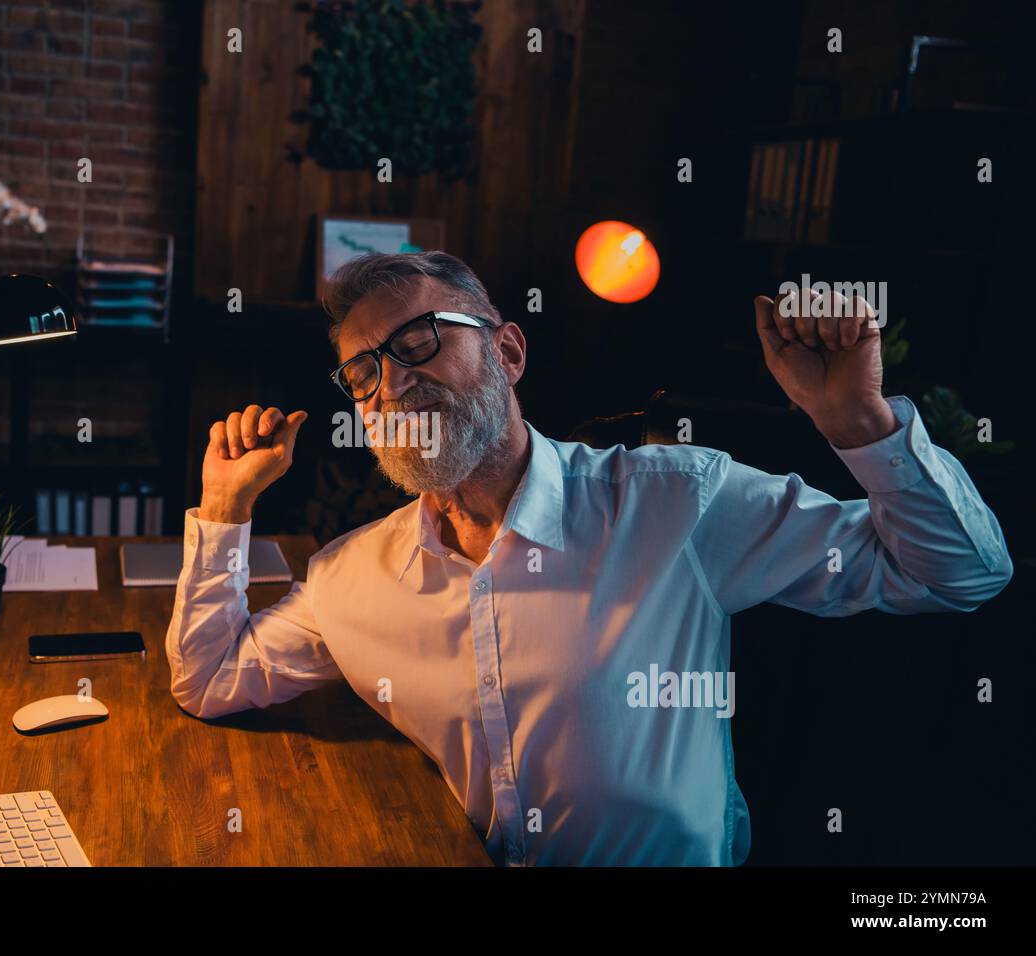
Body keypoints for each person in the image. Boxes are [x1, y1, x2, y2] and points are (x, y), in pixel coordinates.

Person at [165, 251, 1012, 865]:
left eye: (420, 340)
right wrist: (225, 507)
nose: (392, 380)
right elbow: (209, 679)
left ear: (507, 352)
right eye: (363, 370)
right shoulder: (351, 577)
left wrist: (859, 421)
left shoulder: (678, 501)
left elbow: (958, 574)